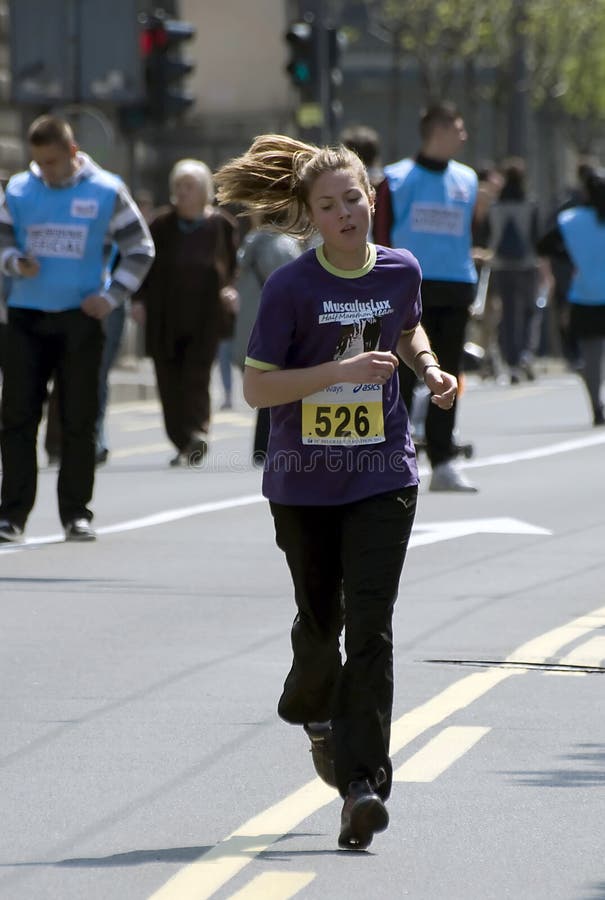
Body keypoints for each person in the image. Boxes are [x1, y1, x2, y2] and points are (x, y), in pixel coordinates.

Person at [214, 134, 457, 850]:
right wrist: (337, 374)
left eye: (353, 198)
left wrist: (429, 368)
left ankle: (361, 787)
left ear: (371, 198)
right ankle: (313, 710)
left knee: (371, 629)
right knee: (321, 625)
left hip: (383, 472)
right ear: (312, 216)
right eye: (328, 205)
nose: (345, 212)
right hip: (304, 483)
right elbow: (258, 389)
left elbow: (406, 326)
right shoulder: (291, 288)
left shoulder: (400, 269)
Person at [0, 115, 154, 543]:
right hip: (26, 317)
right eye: (39, 162)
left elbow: (140, 248)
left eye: (52, 161)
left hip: (81, 319)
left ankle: (76, 514)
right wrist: (14, 262)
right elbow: (2, 240)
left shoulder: (106, 190)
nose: (46, 171)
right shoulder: (19, 190)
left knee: (79, 418)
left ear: (72, 151)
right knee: (17, 417)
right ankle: (11, 515)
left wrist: (111, 296)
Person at [373, 101, 479, 492]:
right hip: (408, 288)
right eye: (458, 128)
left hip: (455, 287)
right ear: (439, 129)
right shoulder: (396, 178)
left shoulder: (467, 179)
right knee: (400, 373)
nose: (464, 136)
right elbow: (382, 235)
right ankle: (392, 455)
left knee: (446, 373)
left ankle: (443, 459)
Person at [131, 159, 239, 466]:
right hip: (165, 315)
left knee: (196, 377)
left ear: (204, 190)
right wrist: (138, 300)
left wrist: (231, 290)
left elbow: (232, 267)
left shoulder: (221, 224)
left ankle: (197, 432)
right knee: (168, 380)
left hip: (206, 315)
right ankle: (181, 440)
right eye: (178, 186)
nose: (182, 192)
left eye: (189, 186)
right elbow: (143, 265)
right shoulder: (160, 225)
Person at [232, 211, 302, 463]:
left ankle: (262, 447)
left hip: (251, 324)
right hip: (277, 324)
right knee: (279, 387)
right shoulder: (284, 245)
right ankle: (269, 446)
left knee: (264, 386)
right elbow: (296, 288)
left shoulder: (251, 243)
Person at [537, 170, 605, 427]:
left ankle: (596, 407)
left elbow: (543, 245)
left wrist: (570, 256)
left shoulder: (571, 219)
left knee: (591, 357)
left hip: (585, 296)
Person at [488, 158, 542, 384]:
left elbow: (490, 235)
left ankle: (511, 361)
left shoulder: (495, 207)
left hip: (502, 265)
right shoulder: (530, 205)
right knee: (529, 310)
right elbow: (536, 238)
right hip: (527, 265)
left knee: (509, 314)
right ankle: (526, 354)